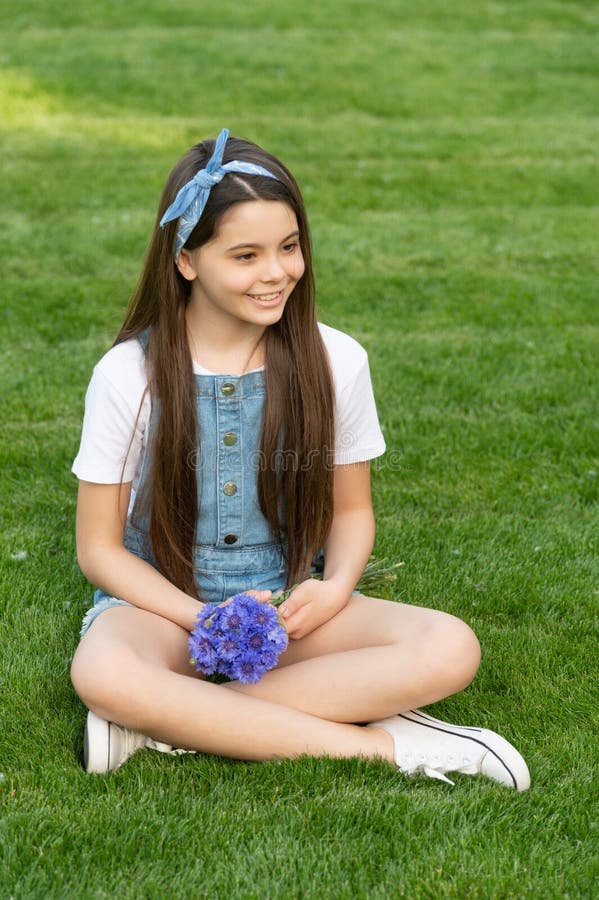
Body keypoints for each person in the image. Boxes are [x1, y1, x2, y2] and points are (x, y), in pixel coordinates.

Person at [70, 128, 530, 790]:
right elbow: (99, 551)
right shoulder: (127, 375)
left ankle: (159, 720)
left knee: (450, 647)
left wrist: (335, 588)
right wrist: (198, 618)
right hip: (161, 613)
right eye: (246, 254)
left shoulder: (336, 360)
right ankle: (391, 746)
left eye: (289, 248)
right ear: (186, 260)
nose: (276, 271)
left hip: (289, 610)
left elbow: (350, 512)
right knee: (104, 670)